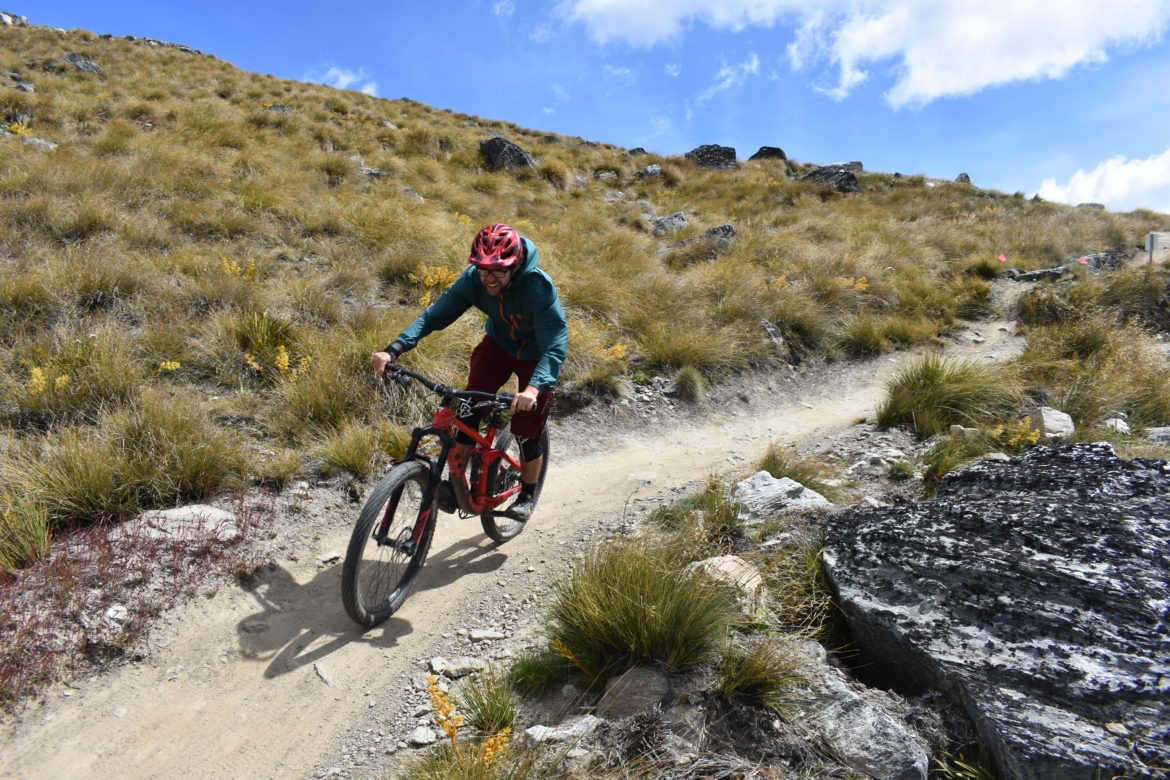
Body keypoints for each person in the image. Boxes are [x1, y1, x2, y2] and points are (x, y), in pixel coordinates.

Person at [370, 224, 568, 522]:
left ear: (514, 265)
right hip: (498, 347)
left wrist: (533, 389)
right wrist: (394, 348)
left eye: (498, 270)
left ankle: (527, 493)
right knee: (467, 414)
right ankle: (457, 485)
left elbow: (554, 344)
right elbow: (434, 316)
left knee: (527, 432)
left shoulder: (537, 287)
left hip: (536, 356)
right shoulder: (472, 281)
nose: (489, 278)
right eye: (483, 269)